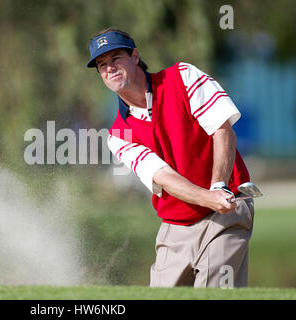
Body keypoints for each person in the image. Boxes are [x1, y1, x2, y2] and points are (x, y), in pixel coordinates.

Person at [86, 28, 254, 288]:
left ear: (135, 56)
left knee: (213, 289)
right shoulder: (118, 134)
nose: (110, 68)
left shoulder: (182, 77)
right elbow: (163, 176)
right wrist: (206, 197)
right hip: (175, 225)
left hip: (226, 209)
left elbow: (222, 130)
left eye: (116, 58)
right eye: (102, 64)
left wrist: (218, 187)